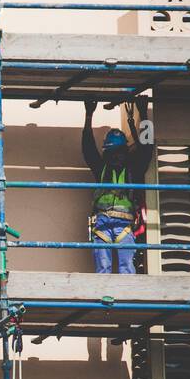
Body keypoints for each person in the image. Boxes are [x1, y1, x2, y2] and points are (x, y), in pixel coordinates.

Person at [82, 98, 152, 275]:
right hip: (102, 222)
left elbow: (148, 147)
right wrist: (88, 116)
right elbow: (88, 148)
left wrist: (144, 114)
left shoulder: (133, 169)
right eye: (112, 153)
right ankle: (103, 300)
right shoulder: (102, 169)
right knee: (103, 270)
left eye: (118, 153)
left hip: (124, 223)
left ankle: (125, 300)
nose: (116, 158)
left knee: (126, 270)